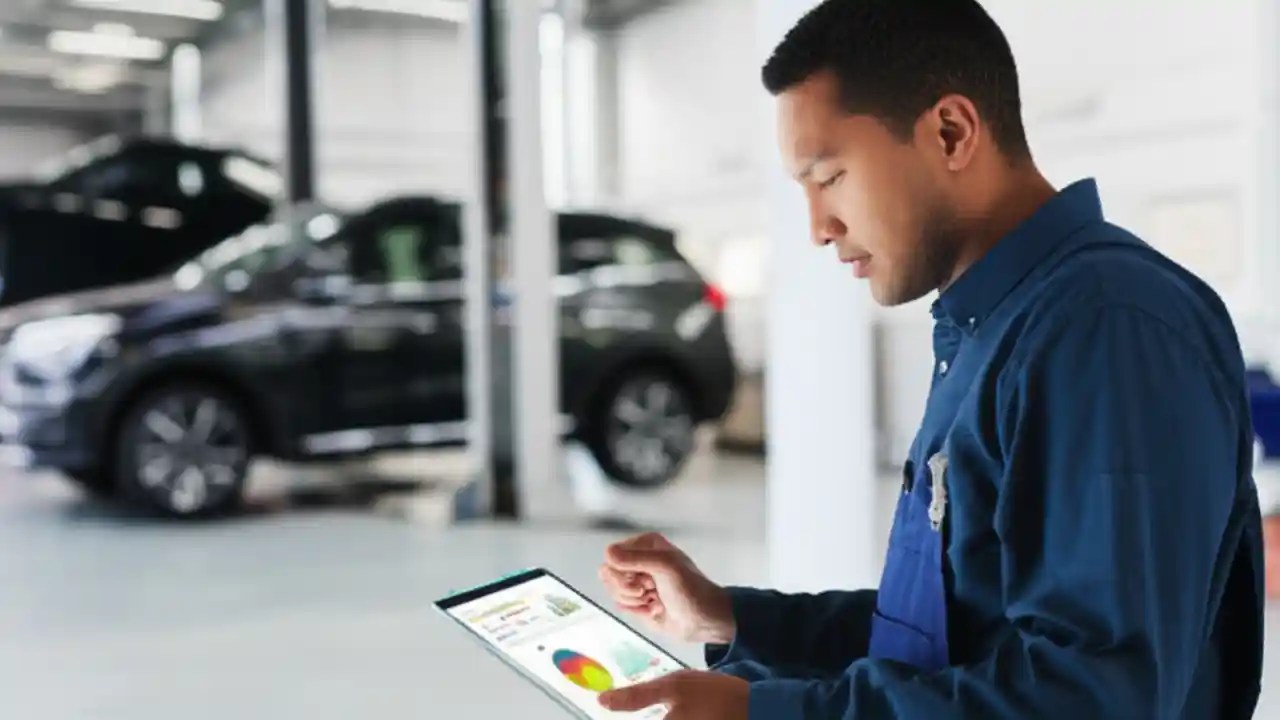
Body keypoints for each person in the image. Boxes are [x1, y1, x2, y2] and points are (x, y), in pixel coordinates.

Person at [595, 0, 1266, 718]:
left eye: (831, 176)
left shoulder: (1105, 327)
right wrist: (733, 618)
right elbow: (941, 639)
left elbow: (1094, 698)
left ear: (951, 132)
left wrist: (770, 713)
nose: (818, 227)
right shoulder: (989, 330)